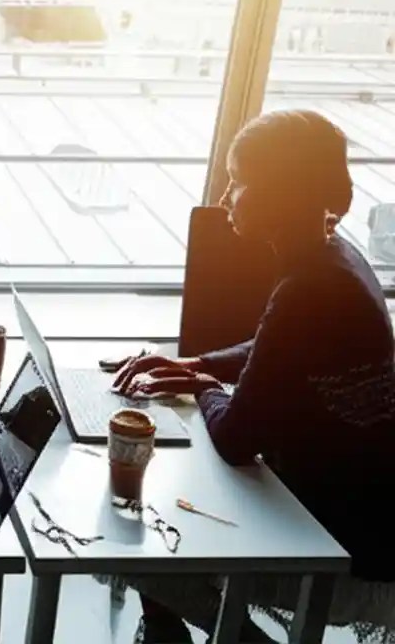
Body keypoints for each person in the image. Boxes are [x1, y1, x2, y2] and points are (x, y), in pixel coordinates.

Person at [110, 109, 395, 643]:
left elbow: (239, 438)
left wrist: (206, 389)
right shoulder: (335, 256)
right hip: (346, 506)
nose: (224, 198)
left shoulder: (310, 285)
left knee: (139, 540)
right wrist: (194, 365)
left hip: (340, 540)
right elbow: (276, 348)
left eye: (237, 181)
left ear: (279, 194)